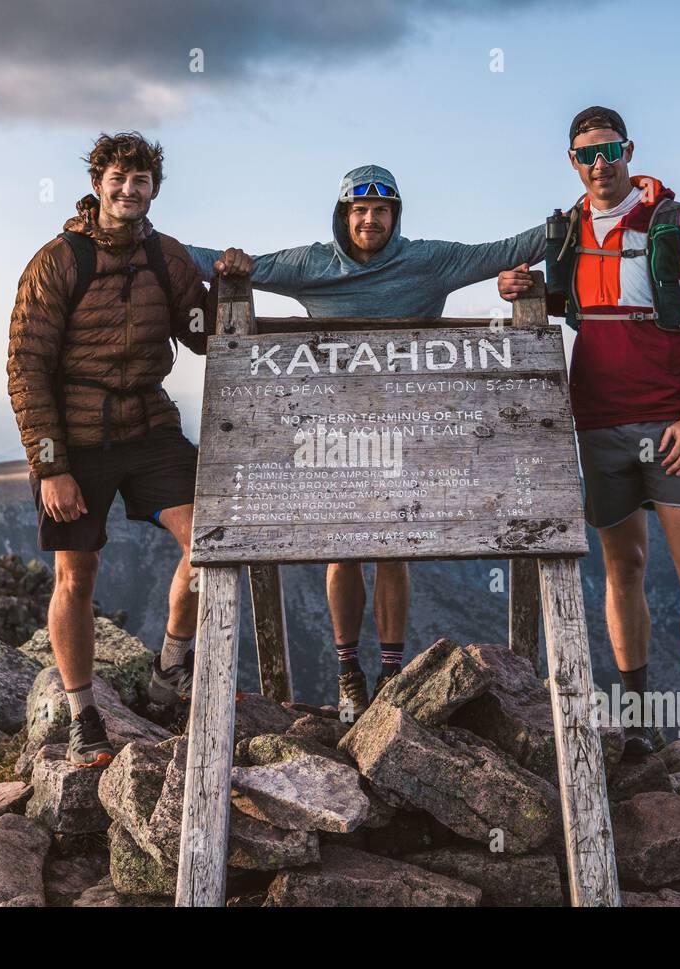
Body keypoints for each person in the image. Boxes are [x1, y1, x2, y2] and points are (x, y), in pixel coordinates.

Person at [186, 165, 546, 720]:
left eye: (381, 211)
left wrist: (579, 217)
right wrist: (135, 236)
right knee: (343, 549)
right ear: (343, 215)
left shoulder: (429, 260)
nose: (370, 220)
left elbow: (506, 248)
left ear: (395, 217)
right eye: (359, 210)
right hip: (334, 434)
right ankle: (349, 674)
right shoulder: (312, 264)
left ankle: (392, 672)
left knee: (394, 549)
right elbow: (224, 263)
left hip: (410, 432)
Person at [498, 106, 680, 812]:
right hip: (596, 422)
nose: (598, 165)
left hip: (670, 424)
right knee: (621, 568)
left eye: (608, 151)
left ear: (628, 151)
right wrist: (518, 289)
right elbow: (568, 303)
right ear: (571, 161)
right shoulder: (567, 231)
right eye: (584, 155)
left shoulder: (676, 222)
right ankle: (636, 730)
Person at [7, 131, 250, 766]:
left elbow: (198, 335)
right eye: (118, 178)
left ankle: (169, 673)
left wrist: (223, 288)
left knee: (211, 543)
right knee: (75, 574)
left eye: (140, 180)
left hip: (149, 425)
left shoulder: (167, 258)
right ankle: (83, 711)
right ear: (97, 185)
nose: (128, 188)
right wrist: (52, 466)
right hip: (77, 437)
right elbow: (26, 366)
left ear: (153, 190)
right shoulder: (57, 261)